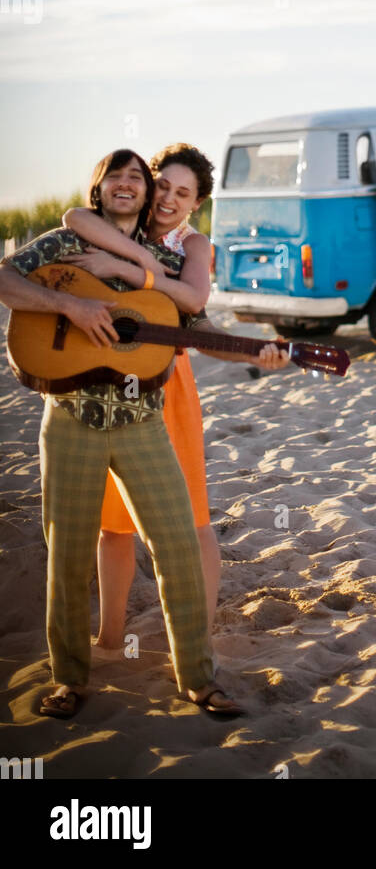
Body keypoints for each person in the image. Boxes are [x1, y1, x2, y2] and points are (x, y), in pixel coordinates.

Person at [0, 149, 284, 720]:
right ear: (99, 189)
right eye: (118, 177)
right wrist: (68, 306)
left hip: (143, 423)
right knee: (67, 557)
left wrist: (260, 350)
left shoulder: (159, 261)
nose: (130, 185)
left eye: (138, 177)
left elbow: (197, 323)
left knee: (178, 544)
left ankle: (199, 680)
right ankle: (69, 681)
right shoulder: (66, 244)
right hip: (71, 421)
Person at [61, 143, 243, 652]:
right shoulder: (122, 221)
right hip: (101, 377)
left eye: (182, 193)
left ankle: (197, 638)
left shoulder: (193, 243)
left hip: (166, 381)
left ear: (196, 204)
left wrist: (130, 268)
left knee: (193, 516)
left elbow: (194, 300)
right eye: (163, 184)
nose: (168, 198)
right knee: (111, 522)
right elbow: (74, 213)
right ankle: (109, 636)